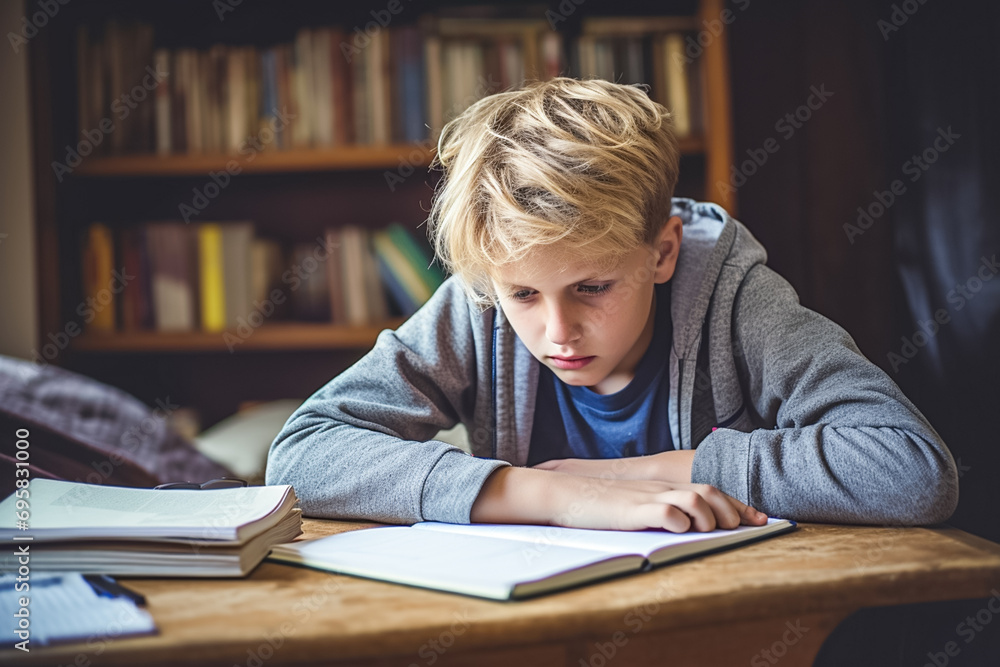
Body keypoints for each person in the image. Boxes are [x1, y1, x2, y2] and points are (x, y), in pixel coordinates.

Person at [265, 77, 959, 533]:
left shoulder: (736, 299)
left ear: (662, 252)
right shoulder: (480, 301)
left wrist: (645, 471)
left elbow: (912, 470)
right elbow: (303, 454)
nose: (557, 332)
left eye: (592, 288)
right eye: (524, 295)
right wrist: (553, 496)